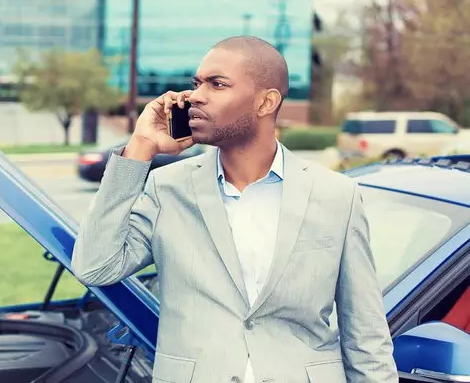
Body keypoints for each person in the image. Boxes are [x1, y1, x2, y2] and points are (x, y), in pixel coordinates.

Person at [72, 36, 398, 383]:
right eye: (196, 84)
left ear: (265, 102)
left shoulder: (337, 196)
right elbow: (96, 267)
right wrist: (141, 147)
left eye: (217, 84)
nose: (196, 96)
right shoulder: (167, 189)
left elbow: (366, 334)